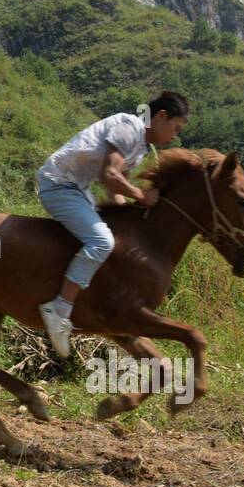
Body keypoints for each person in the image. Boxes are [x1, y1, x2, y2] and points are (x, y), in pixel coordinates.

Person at [35, 91, 191, 357]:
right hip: (60, 184)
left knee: (114, 239)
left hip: (77, 189)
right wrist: (141, 195)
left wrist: (126, 215)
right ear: (161, 116)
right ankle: (59, 308)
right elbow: (109, 175)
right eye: (175, 128)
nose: (175, 135)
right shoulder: (129, 128)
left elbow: (116, 192)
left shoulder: (139, 148)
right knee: (101, 241)